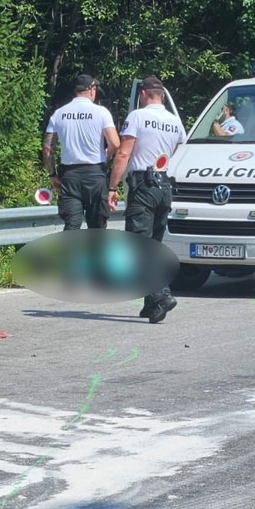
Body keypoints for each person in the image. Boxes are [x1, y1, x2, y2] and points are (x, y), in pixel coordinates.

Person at [107, 75, 186, 323]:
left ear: (142, 94)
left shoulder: (138, 117)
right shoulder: (175, 121)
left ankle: (162, 294)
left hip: (143, 186)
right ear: (161, 95)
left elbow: (123, 154)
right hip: (164, 187)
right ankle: (152, 306)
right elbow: (176, 150)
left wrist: (112, 187)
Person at [42, 74, 121, 230]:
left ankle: (69, 254)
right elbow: (115, 143)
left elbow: (47, 148)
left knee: (71, 226)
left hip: (70, 176)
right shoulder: (101, 112)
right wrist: (107, 154)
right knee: (97, 229)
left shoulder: (59, 114)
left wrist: (53, 174)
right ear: (91, 90)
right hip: (95, 175)